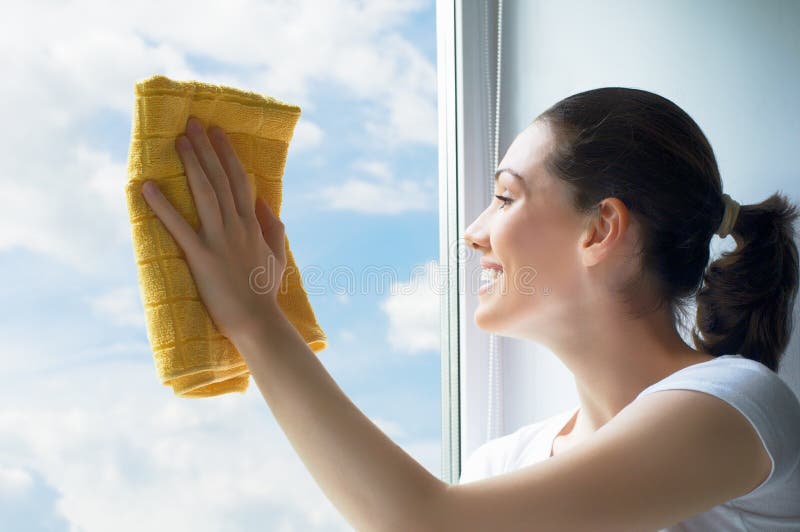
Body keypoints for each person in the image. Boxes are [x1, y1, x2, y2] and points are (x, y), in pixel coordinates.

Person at [461, 87, 800, 530]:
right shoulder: (501, 463)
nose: (473, 232)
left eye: (505, 198)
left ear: (601, 230)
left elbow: (425, 517)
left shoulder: (738, 404)